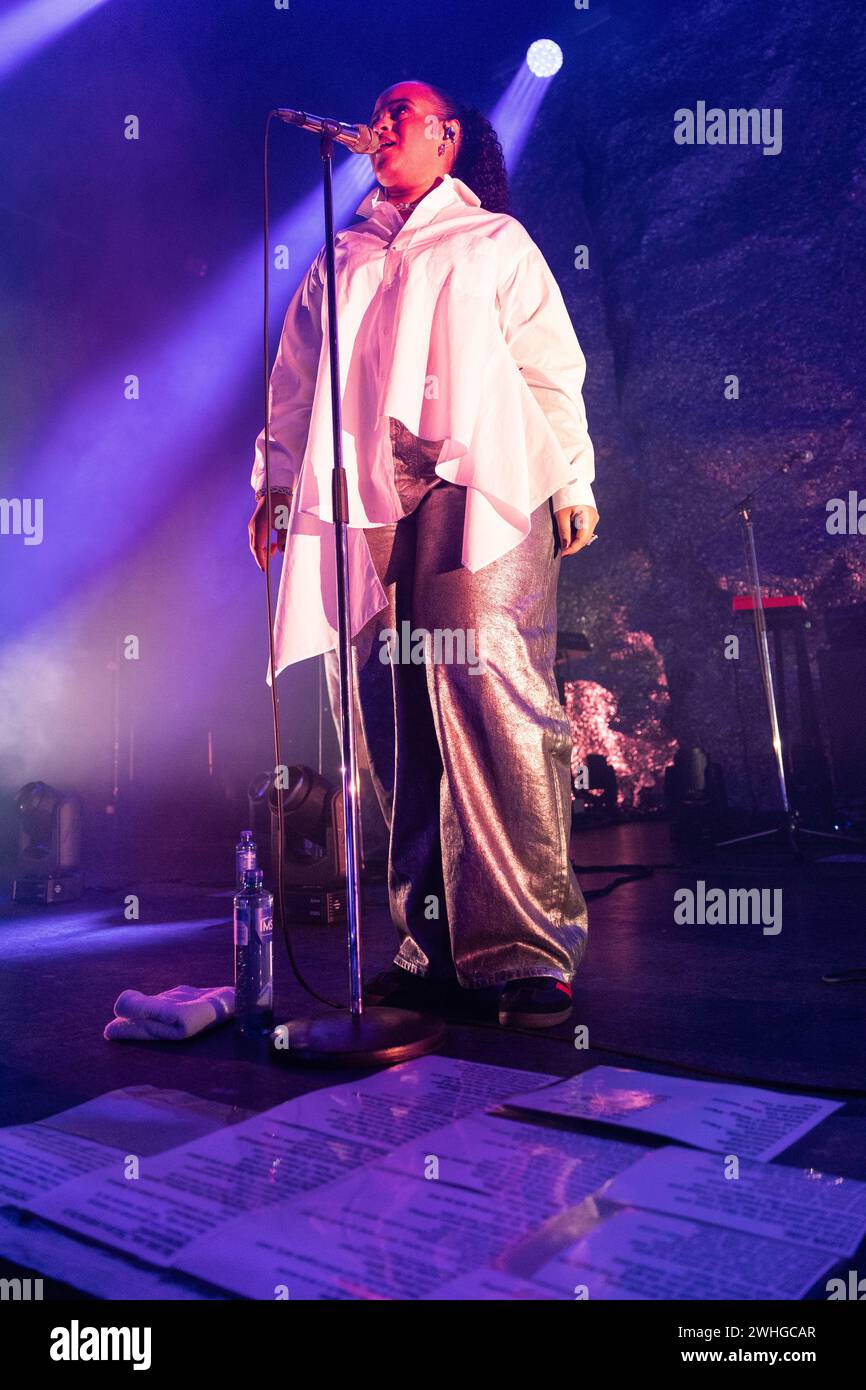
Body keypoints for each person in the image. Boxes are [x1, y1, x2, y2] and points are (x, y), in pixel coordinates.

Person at [248, 80, 599, 1028]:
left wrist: (573, 478)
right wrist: (277, 483)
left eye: (405, 109)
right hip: (368, 493)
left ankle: (524, 949)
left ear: (446, 139)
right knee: (388, 712)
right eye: (378, 109)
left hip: (476, 485)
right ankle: (426, 943)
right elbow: (295, 379)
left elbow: (547, 365)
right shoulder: (343, 251)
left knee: (489, 694)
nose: (383, 118)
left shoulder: (494, 242)